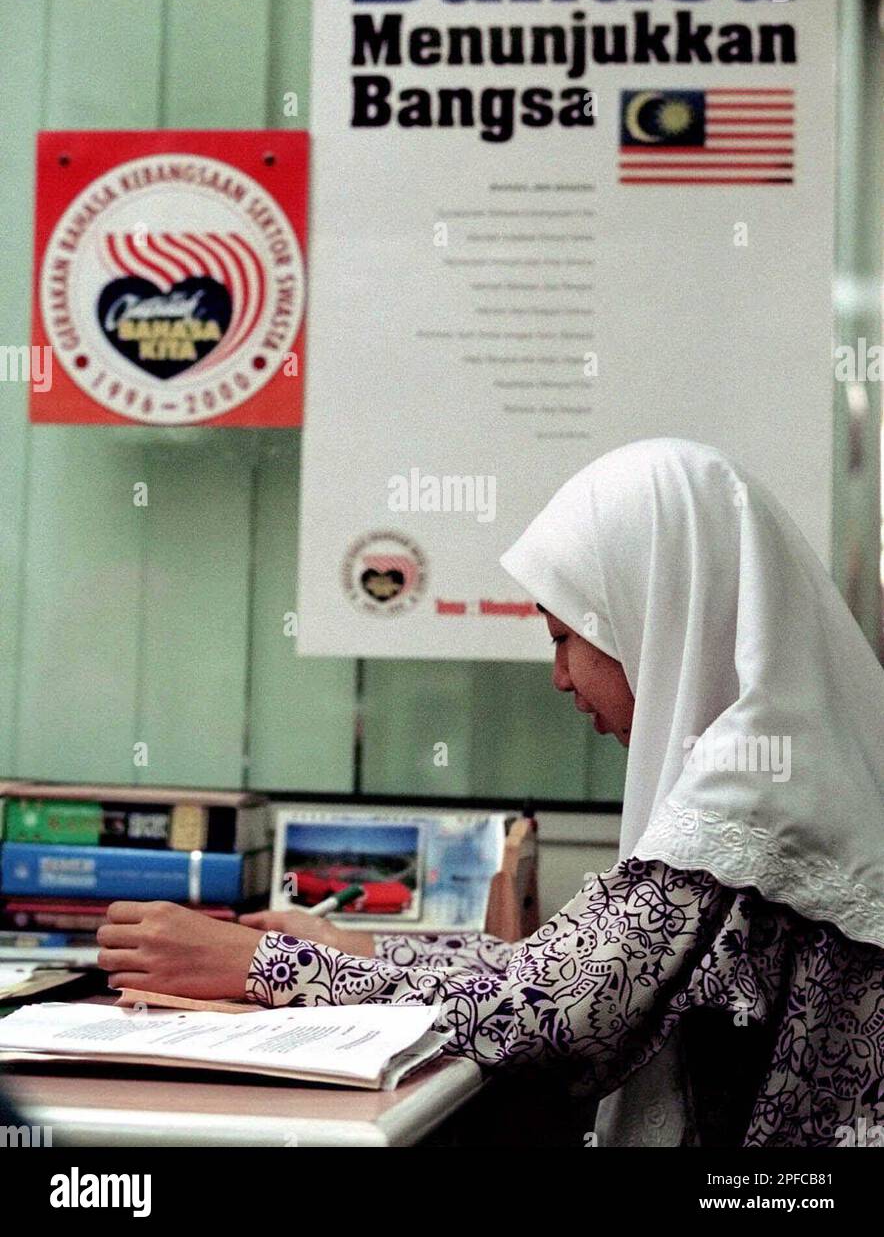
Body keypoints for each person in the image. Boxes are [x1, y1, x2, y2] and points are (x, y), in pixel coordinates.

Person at [97, 438, 884, 1147]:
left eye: (565, 637)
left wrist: (262, 964)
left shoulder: (748, 800)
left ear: (655, 613)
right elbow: (560, 967)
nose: (561, 677)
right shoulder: (785, 763)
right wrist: (354, 949)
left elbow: (550, 1013)